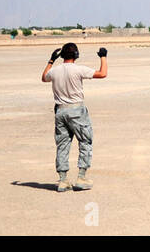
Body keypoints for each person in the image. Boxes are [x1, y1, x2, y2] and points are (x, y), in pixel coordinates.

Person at [40, 42, 107, 192]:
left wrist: (51, 60)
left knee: (62, 145)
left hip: (60, 111)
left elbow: (44, 77)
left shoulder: (55, 71)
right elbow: (102, 74)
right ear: (76, 55)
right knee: (85, 141)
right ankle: (81, 177)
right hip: (77, 111)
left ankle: (63, 180)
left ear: (62, 55)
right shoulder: (79, 69)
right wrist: (103, 57)